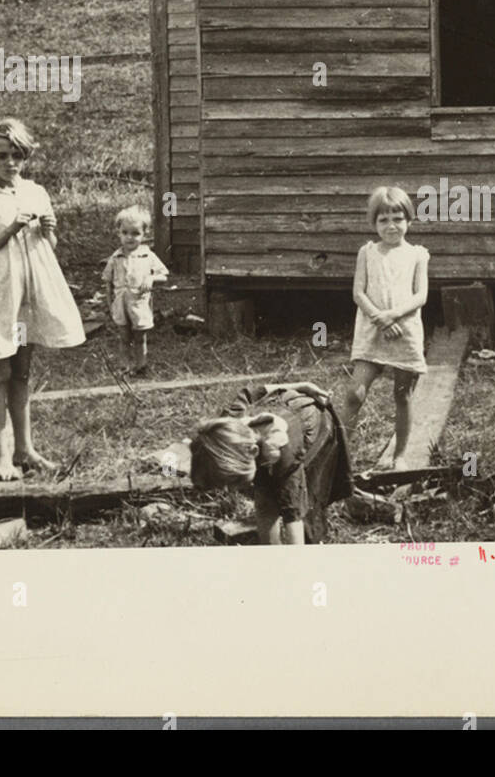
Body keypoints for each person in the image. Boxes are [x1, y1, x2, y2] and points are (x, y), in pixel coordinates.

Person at [0, 119, 85, 480]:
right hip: (0, 296)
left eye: (17, 156)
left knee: (22, 371)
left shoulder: (35, 192)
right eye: (2, 156)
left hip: (27, 298)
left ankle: (24, 448)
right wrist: (10, 229)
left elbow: (49, 246)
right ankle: (0, 455)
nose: (10, 163)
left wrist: (48, 230)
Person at [189, 381, 353, 545]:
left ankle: (310, 547)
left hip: (315, 425)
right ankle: (270, 550)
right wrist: (303, 385)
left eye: (233, 482)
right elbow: (253, 391)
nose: (231, 489)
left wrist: (303, 386)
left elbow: (292, 513)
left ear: (253, 452)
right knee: (264, 498)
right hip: (279, 423)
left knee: (305, 501)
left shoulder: (285, 453)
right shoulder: (225, 428)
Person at [341, 186, 429, 471]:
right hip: (371, 330)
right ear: (374, 223)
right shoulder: (367, 253)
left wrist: (392, 316)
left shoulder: (417, 255)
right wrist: (379, 318)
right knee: (355, 393)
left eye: (397, 219)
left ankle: (399, 456)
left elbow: (420, 296)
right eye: (383, 220)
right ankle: (339, 456)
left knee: (402, 395)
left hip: (404, 331)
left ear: (409, 221)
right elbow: (358, 292)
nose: (391, 226)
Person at [102, 204, 169, 375]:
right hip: (121, 305)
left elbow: (164, 275)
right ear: (119, 232)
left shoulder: (148, 255)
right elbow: (107, 282)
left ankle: (141, 366)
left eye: (135, 233)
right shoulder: (115, 257)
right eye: (125, 233)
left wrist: (151, 278)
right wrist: (110, 305)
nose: (129, 238)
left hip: (139, 305)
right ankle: (125, 366)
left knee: (140, 338)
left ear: (144, 234)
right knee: (124, 338)